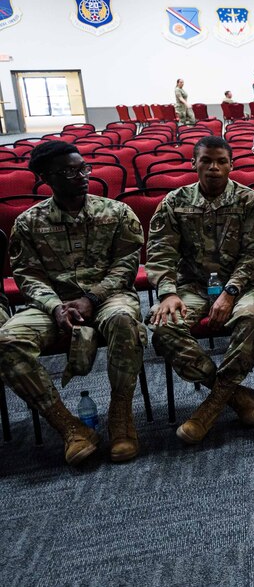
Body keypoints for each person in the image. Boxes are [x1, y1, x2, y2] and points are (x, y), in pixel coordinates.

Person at [0, 142, 147, 464]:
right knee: (7, 340)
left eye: (83, 168)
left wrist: (92, 298)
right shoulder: (28, 222)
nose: (81, 176)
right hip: (54, 304)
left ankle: (121, 417)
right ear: (45, 177)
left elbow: (126, 265)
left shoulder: (116, 212)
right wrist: (54, 306)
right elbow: (27, 275)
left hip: (108, 296)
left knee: (124, 321)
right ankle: (69, 426)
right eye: (69, 172)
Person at [146, 135, 254, 444]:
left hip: (245, 284)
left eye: (221, 161)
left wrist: (230, 292)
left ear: (231, 165)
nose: (214, 167)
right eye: (206, 161)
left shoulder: (250, 201)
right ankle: (234, 395)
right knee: (164, 327)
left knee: (250, 317)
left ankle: (211, 407)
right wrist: (168, 293)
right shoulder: (175, 202)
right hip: (194, 284)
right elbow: (160, 252)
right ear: (194, 163)